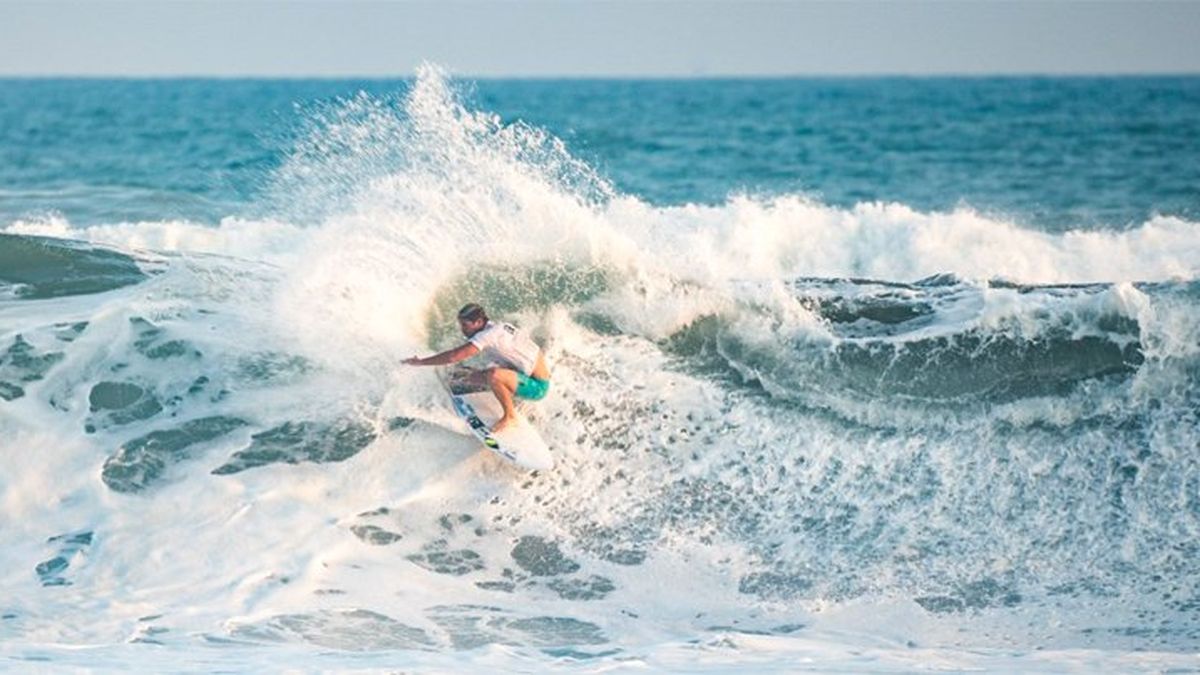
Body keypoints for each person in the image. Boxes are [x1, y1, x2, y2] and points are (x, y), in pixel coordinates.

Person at [403, 303, 551, 433]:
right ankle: (494, 391)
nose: (463, 330)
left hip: (537, 387)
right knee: (463, 377)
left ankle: (510, 416)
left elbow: (454, 356)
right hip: (523, 376)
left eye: (465, 326)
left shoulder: (488, 335)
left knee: (493, 375)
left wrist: (421, 362)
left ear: (479, 322)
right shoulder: (496, 328)